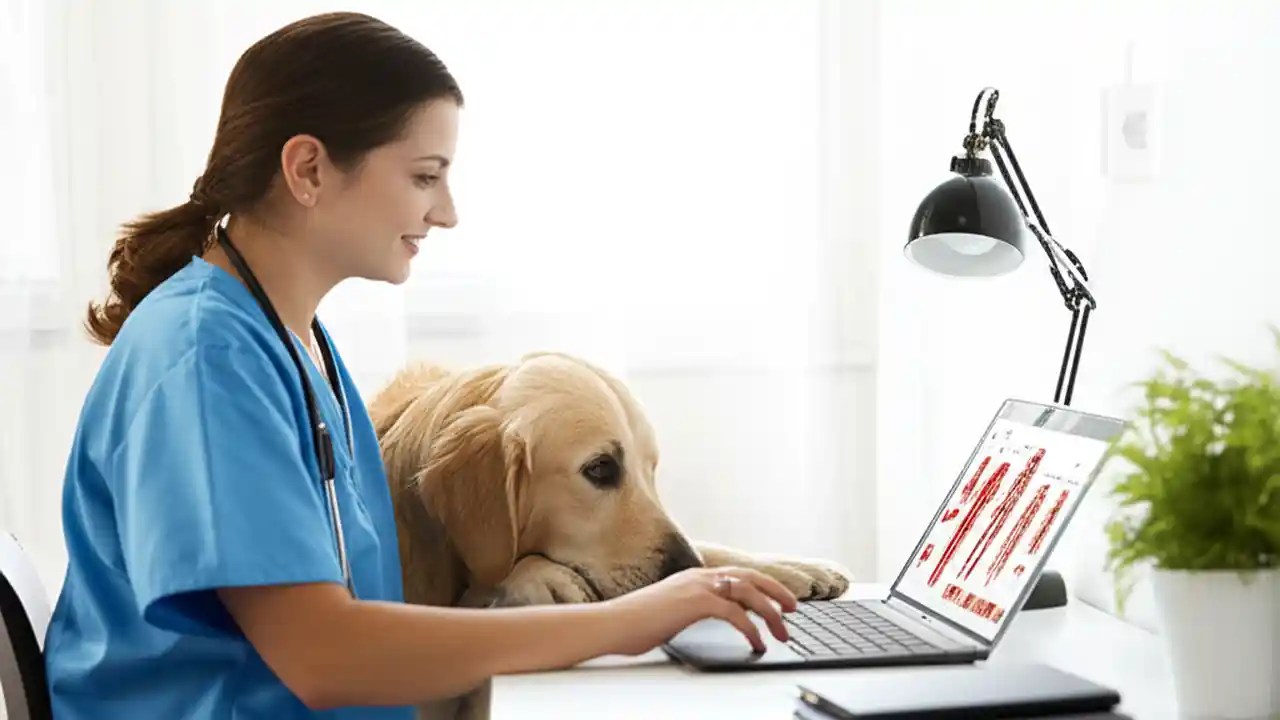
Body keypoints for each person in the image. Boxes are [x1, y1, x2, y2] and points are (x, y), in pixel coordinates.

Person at [41, 10, 795, 719]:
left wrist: (659, 589)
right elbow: (323, 654)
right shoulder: (206, 359)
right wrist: (625, 622)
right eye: (425, 176)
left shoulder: (289, 340)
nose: (447, 212)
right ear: (308, 169)